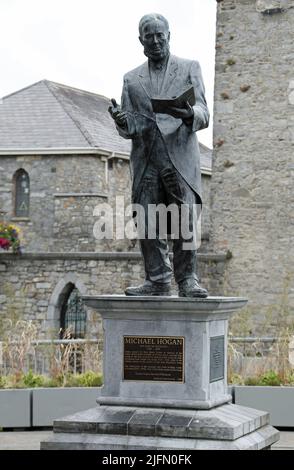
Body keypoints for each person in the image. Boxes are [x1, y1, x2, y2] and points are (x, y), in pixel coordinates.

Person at [109, 13, 209, 297]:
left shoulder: (189, 67)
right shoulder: (131, 79)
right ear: (140, 40)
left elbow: (204, 111)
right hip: (146, 158)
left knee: (183, 220)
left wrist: (189, 113)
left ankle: (187, 279)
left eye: (159, 35)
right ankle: (157, 279)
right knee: (147, 221)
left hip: (178, 157)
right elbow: (131, 125)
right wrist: (120, 119)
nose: (155, 41)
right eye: (148, 36)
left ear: (169, 35)